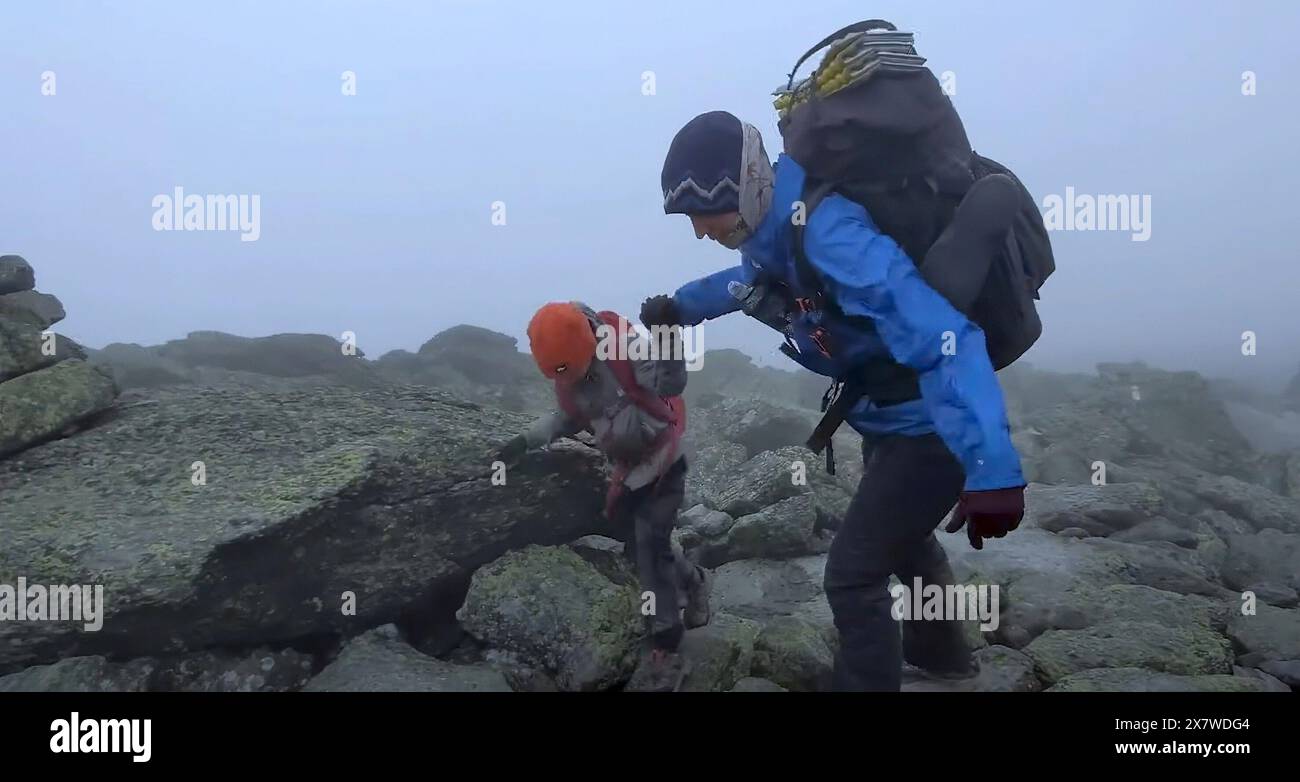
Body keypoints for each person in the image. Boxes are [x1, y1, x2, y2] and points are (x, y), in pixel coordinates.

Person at [642, 110, 1029, 691]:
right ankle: (944, 659)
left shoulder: (831, 234)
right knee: (902, 541)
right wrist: (678, 307)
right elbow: (745, 284)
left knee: (851, 577)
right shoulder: (773, 229)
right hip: (891, 419)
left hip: (929, 430)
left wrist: (991, 471)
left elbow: (948, 339)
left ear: (747, 179)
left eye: (704, 211)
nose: (699, 230)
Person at [493, 300, 712, 691]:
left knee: (648, 545)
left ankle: (666, 643)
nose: (568, 380)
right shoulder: (568, 376)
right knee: (646, 544)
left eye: (570, 370)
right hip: (628, 472)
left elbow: (670, 384)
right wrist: (524, 441)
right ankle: (694, 580)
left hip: (665, 459)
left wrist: (667, 337)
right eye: (560, 375)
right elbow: (564, 419)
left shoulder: (624, 347)